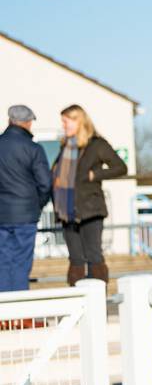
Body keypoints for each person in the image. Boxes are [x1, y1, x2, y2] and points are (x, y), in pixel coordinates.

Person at [51, 105, 128, 285]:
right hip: (67, 212)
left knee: (94, 255)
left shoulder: (97, 144)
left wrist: (96, 175)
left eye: (66, 121)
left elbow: (121, 168)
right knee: (76, 259)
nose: (63, 125)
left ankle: (99, 299)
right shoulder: (66, 146)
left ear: (79, 121)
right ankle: (78, 301)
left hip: (91, 209)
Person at [0, 105, 53, 292]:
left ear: (9, 120)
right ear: (28, 122)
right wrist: (36, 206)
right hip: (25, 216)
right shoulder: (34, 149)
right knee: (21, 264)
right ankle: (20, 315)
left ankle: (4, 315)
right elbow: (45, 184)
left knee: (3, 263)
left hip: (2, 215)